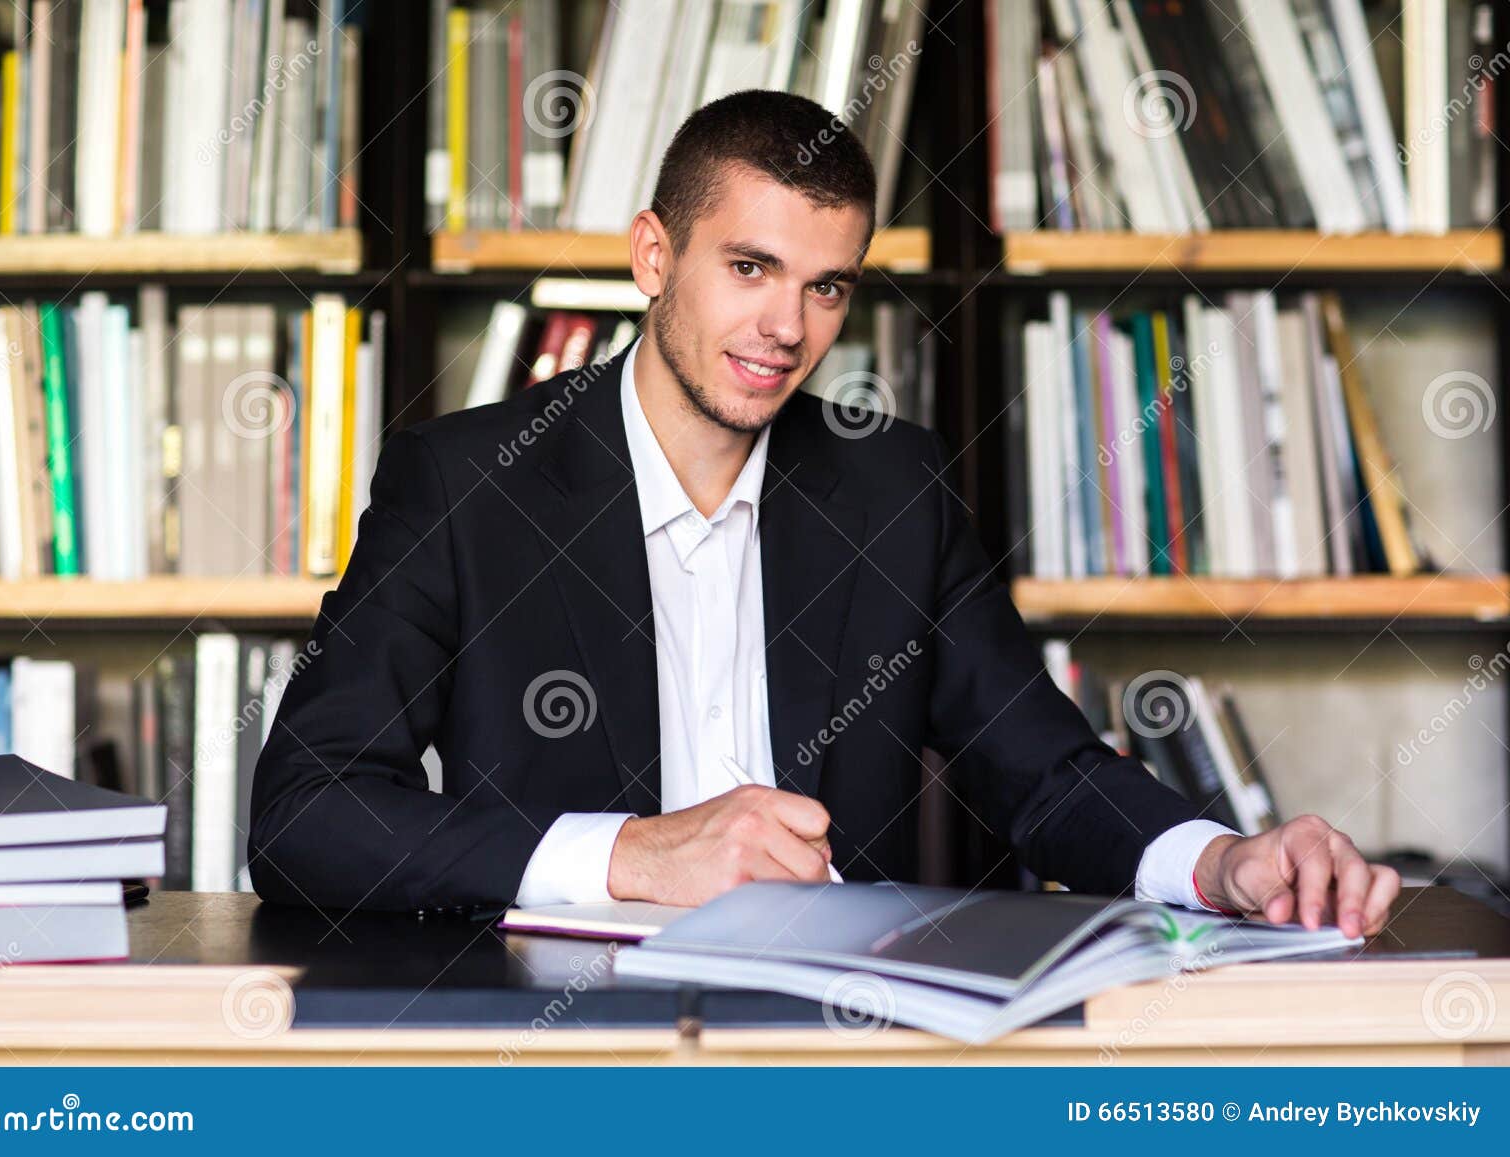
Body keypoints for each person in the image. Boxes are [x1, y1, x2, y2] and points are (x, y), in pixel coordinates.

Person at [249, 89, 1400, 938]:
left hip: (846, 1042)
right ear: (654, 255)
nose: (786, 329)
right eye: (748, 268)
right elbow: (307, 810)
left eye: (826, 285)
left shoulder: (890, 489)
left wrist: (1224, 861)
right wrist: (636, 854)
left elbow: (1041, 772)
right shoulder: (468, 482)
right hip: (564, 1044)